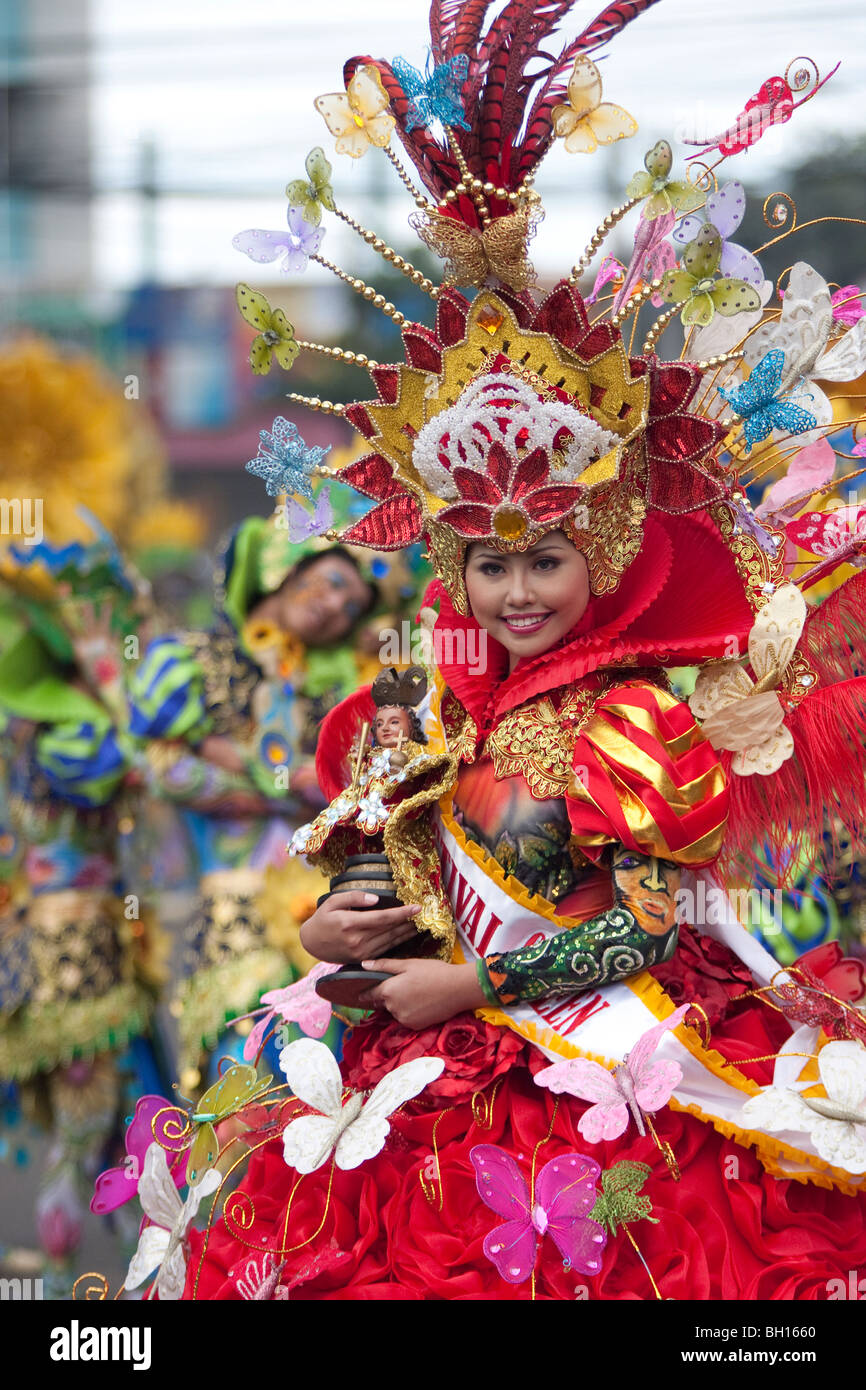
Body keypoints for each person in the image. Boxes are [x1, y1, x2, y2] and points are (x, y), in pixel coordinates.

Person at [113, 0, 866, 1301]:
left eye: (544, 558)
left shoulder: (635, 720)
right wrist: (348, 927)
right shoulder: (431, 710)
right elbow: (409, 883)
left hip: (593, 1081)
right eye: (489, 562)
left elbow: (637, 929)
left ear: (607, 551)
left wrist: (468, 977)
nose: (516, 590)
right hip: (423, 1070)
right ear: (452, 563)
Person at [124, 514, 378, 1091]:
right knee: (234, 1084)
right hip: (229, 918)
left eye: (354, 605)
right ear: (284, 570)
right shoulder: (190, 661)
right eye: (334, 582)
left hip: (315, 922)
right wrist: (284, 787)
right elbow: (167, 772)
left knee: (314, 1092)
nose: (339, 608)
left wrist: (231, 759)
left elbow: (352, 790)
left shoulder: (340, 690)